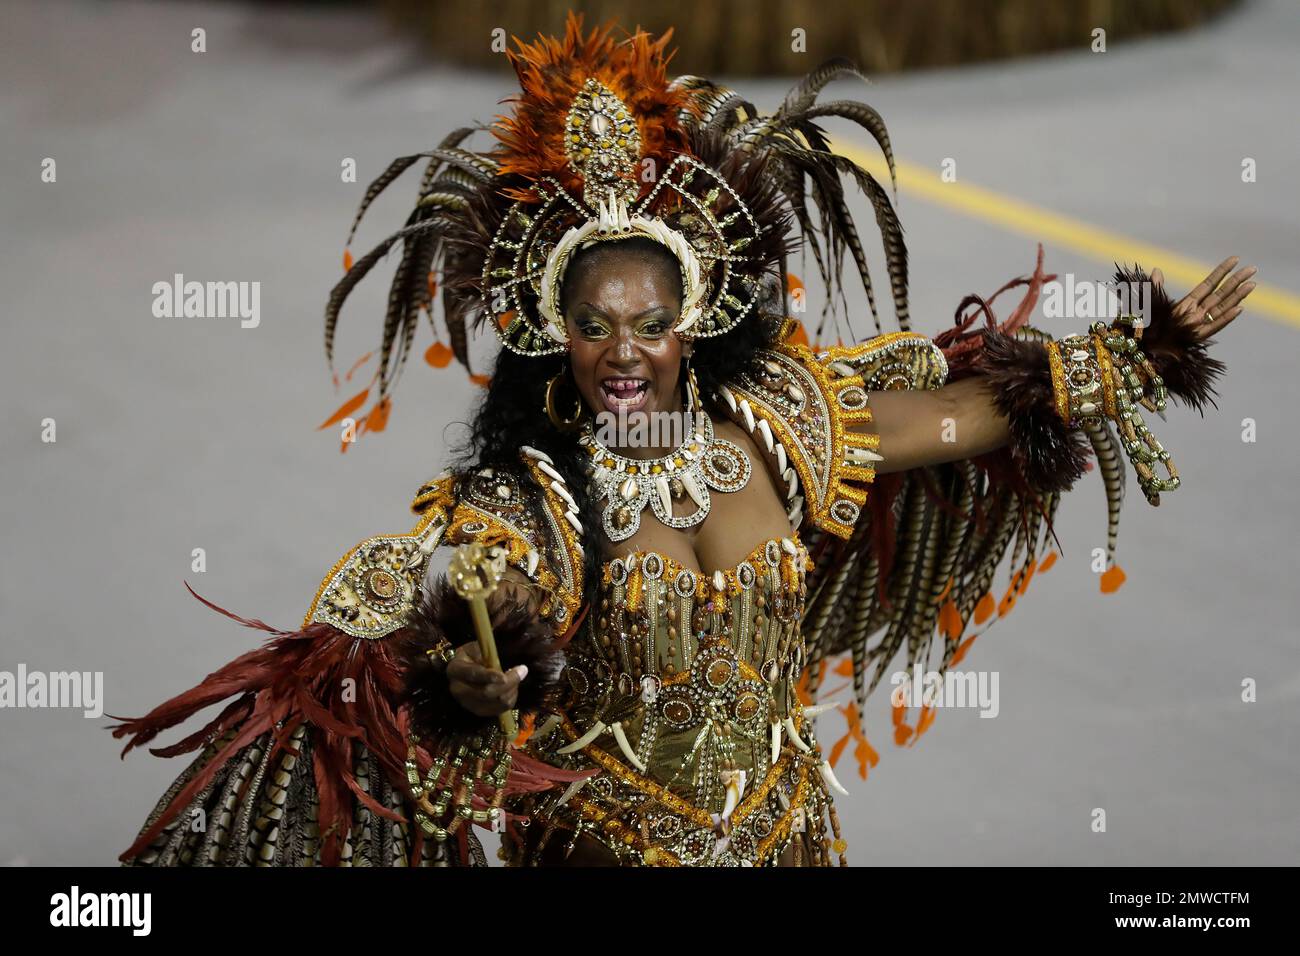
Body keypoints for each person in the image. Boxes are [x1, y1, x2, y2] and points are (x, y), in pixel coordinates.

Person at [112, 15, 1253, 867]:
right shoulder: (536, 498)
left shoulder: (789, 418)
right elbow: (467, 593)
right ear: (548, 332)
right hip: (605, 847)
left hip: (789, 833)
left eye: (650, 323)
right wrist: (470, 671)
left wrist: (1135, 355)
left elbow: (954, 418)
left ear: (693, 321)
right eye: (593, 324)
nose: (623, 350)